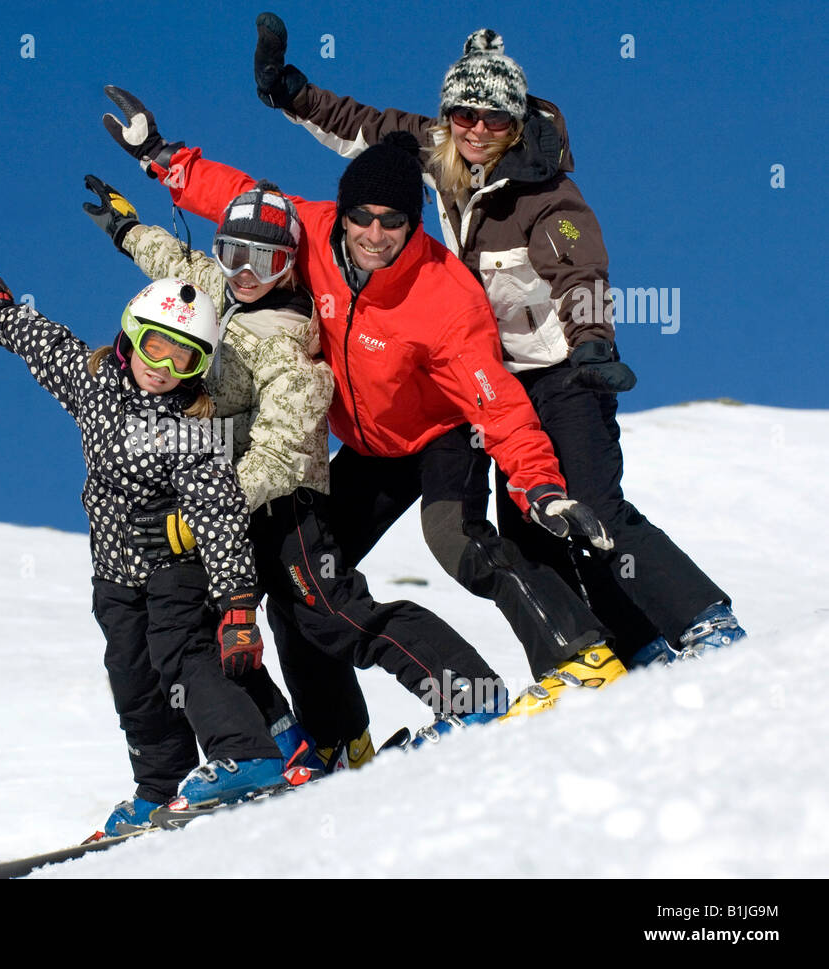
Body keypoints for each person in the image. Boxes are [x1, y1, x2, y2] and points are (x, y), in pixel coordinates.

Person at [101, 85, 626, 724]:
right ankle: (338, 741)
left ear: (413, 225)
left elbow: (497, 401)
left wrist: (539, 483)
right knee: (305, 590)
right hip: (369, 446)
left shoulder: (443, 297)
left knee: (456, 540)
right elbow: (238, 200)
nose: (376, 234)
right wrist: (159, 156)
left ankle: (580, 657)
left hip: (439, 434)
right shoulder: (313, 233)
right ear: (343, 215)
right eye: (364, 218)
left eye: (394, 222)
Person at [250, 14, 746, 667]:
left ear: (516, 122)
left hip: (566, 370)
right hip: (494, 378)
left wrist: (595, 343)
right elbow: (358, 127)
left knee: (595, 504)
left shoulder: (544, 194)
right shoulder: (436, 151)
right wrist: (290, 91)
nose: (477, 129)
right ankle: (632, 643)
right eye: (465, 114)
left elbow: (581, 271)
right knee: (531, 524)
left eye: (494, 118)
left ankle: (705, 616)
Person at [83, 173, 509, 759]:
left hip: (283, 512)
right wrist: (127, 230)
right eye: (233, 254)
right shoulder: (226, 296)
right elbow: (178, 267)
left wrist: (205, 511)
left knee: (333, 612)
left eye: (264, 259)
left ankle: (469, 694)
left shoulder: (288, 345)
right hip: (231, 511)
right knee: (218, 629)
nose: (245, 272)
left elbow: (280, 458)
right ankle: (315, 745)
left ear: (288, 265)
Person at [0, 267, 291, 833]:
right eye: (154, 346)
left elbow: (219, 517)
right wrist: (3, 314)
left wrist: (237, 604)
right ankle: (159, 789)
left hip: (177, 571)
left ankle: (252, 755)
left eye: (182, 359)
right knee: (132, 676)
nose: (162, 369)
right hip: (114, 576)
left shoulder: (193, 428)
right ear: (130, 336)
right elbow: (50, 348)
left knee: (182, 657)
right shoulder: (95, 384)